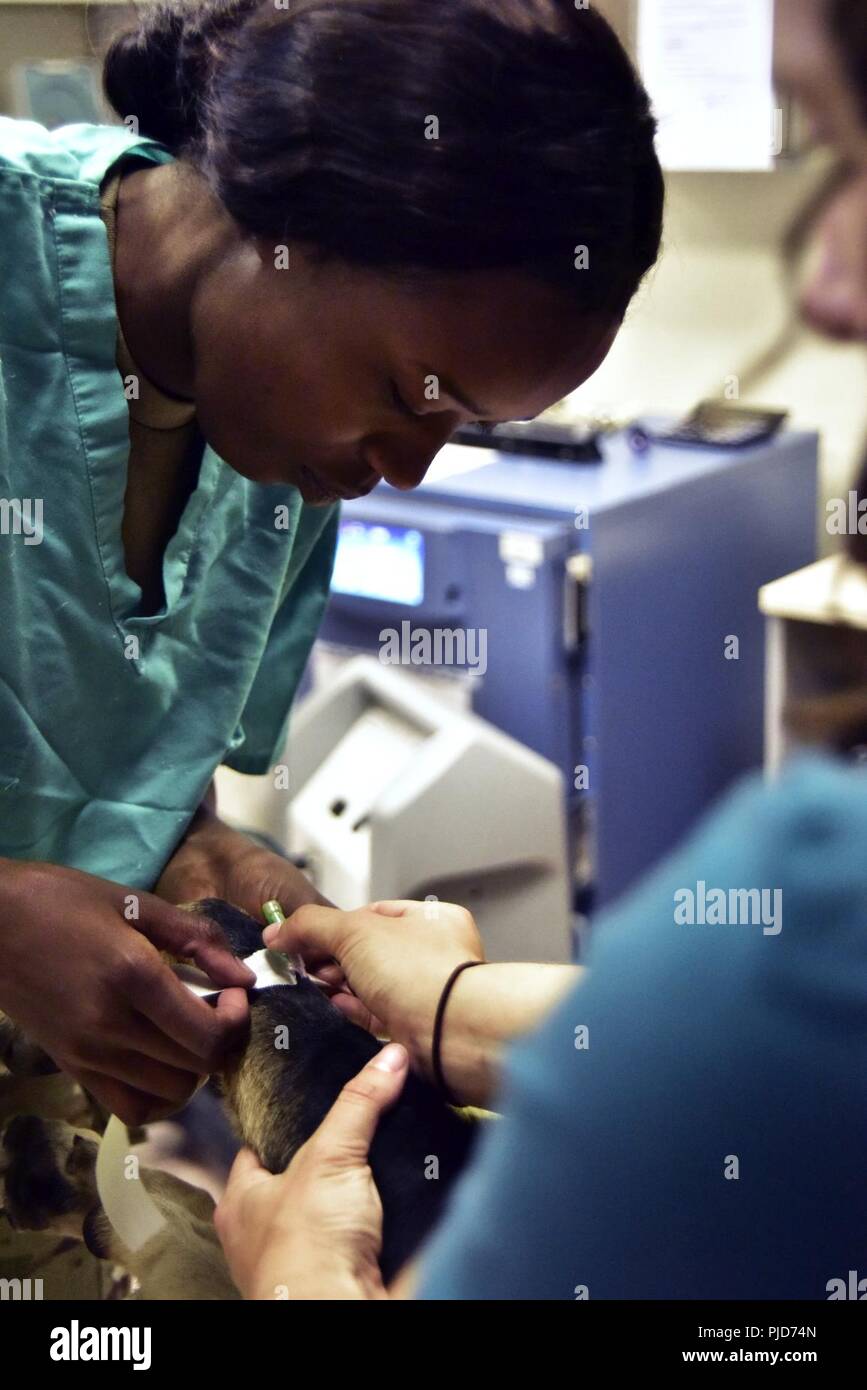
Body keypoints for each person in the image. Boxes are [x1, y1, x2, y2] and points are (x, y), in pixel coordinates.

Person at [214, 0, 867, 1300]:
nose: (825, 283)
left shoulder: (808, 896)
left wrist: (297, 1278)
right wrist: (450, 1007)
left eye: (849, 159)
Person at [0, 0, 663, 1135]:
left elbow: (117, 768)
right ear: (284, 217)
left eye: (460, 430)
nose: (405, 471)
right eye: (416, 395)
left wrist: (210, 867)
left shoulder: (273, 432)